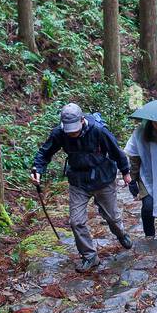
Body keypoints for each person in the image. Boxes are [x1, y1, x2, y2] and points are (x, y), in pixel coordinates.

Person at [31, 103, 132, 271]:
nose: (72, 134)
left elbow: (116, 151)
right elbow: (45, 152)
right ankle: (90, 256)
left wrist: (126, 172)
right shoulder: (59, 133)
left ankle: (121, 233)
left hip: (103, 179)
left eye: (75, 130)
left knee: (113, 218)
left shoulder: (99, 131)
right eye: (69, 131)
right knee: (76, 221)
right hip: (78, 181)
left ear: (82, 120)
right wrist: (37, 170)